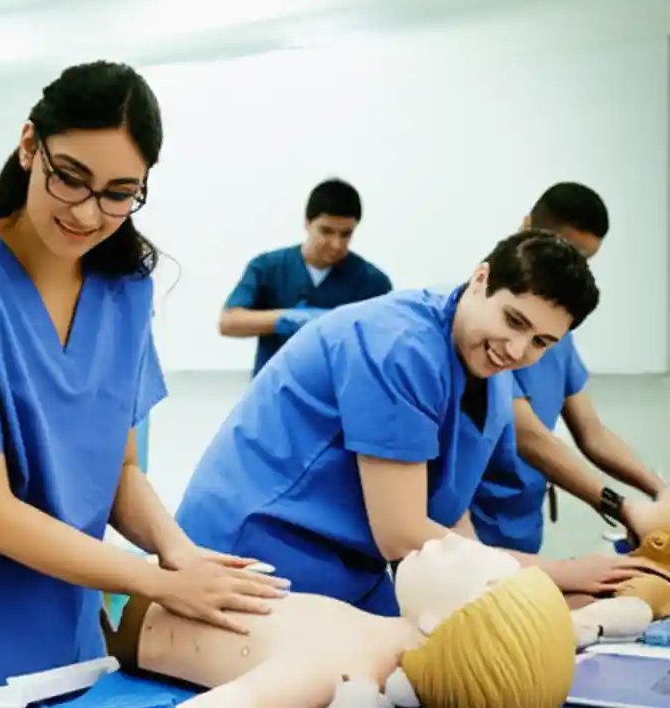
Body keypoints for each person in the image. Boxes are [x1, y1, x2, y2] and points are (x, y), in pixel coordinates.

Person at [0, 60, 288, 708]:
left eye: (118, 193)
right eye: (71, 178)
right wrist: (155, 583)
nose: (87, 211)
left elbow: (119, 472)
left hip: (60, 634)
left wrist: (179, 553)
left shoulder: (125, 289)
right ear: (29, 146)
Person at [176, 229, 651, 617]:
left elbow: (452, 517)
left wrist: (518, 589)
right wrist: (556, 571)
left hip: (347, 571)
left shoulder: (490, 371)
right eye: (513, 320)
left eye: (542, 342)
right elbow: (401, 532)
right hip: (250, 554)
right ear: (481, 278)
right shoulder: (399, 347)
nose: (516, 350)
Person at [99, 533, 653, 708]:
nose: (454, 540)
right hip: (171, 575)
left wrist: (158, 577)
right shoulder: (388, 637)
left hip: (135, 607)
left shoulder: (328, 671)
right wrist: (588, 621)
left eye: (465, 558)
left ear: (441, 620)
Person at [471, 182, 666, 553]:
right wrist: (623, 508)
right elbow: (527, 435)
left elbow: (592, 432)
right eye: (562, 251)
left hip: (521, 522)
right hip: (469, 526)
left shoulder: (556, 338)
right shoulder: (485, 326)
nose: (570, 270)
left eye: (583, 260)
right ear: (526, 228)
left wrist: (658, 490)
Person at [218, 179, 392, 375]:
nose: (336, 244)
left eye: (346, 234)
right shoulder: (267, 267)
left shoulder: (372, 282)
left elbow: (383, 345)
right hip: (274, 391)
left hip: (334, 397)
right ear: (307, 223)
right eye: (326, 231)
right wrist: (287, 318)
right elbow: (228, 322)